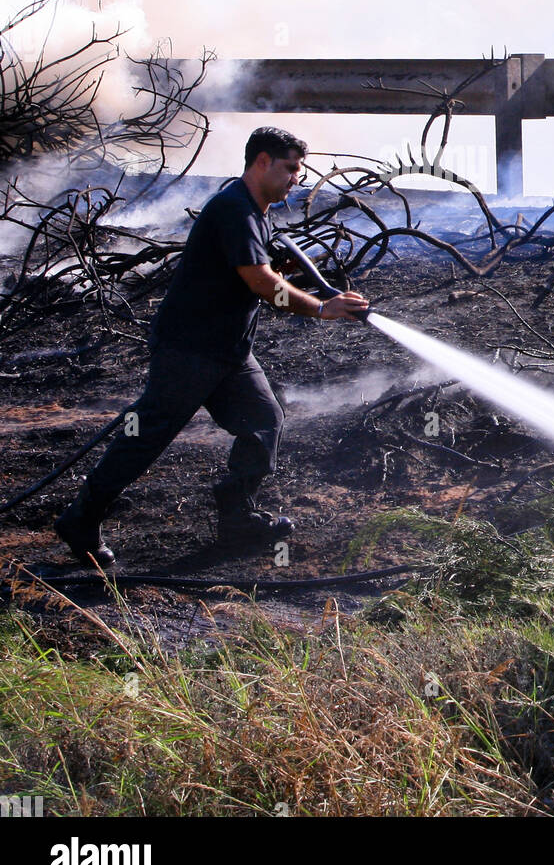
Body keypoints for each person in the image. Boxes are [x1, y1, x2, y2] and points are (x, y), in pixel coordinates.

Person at [55, 127, 369, 567]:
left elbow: (260, 275)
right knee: (144, 434)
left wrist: (288, 281)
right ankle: (81, 518)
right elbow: (261, 284)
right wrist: (321, 309)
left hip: (229, 353)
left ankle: (238, 516)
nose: (296, 178)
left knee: (264, 422)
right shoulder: (234, 210)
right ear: (262, 161)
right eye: (290, 169)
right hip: (189, 349)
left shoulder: (255, 212)